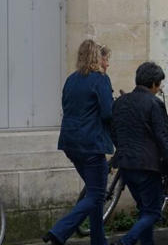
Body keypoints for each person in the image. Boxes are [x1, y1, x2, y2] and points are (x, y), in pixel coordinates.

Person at [44, 40, 114, 245]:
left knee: (94, 193)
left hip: (70, 144)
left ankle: (98, 241)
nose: (107, 63)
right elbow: (108, 113)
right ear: (96, 58)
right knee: (96, 195)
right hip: (91, 144)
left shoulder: (71, 79)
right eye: (105, 58)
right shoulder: (100, 79)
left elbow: (67, 107)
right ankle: (59, 231)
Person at [110, 62, 168, 245]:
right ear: (154, 83)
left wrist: (123, 148)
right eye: (159, 85)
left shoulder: (120, 102)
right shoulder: (154, 103)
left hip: (125, 164)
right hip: (147, 167)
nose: (159, 89)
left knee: (145, 210)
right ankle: (126, 241)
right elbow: (164, 137)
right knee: (153, 212)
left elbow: (113, 131)